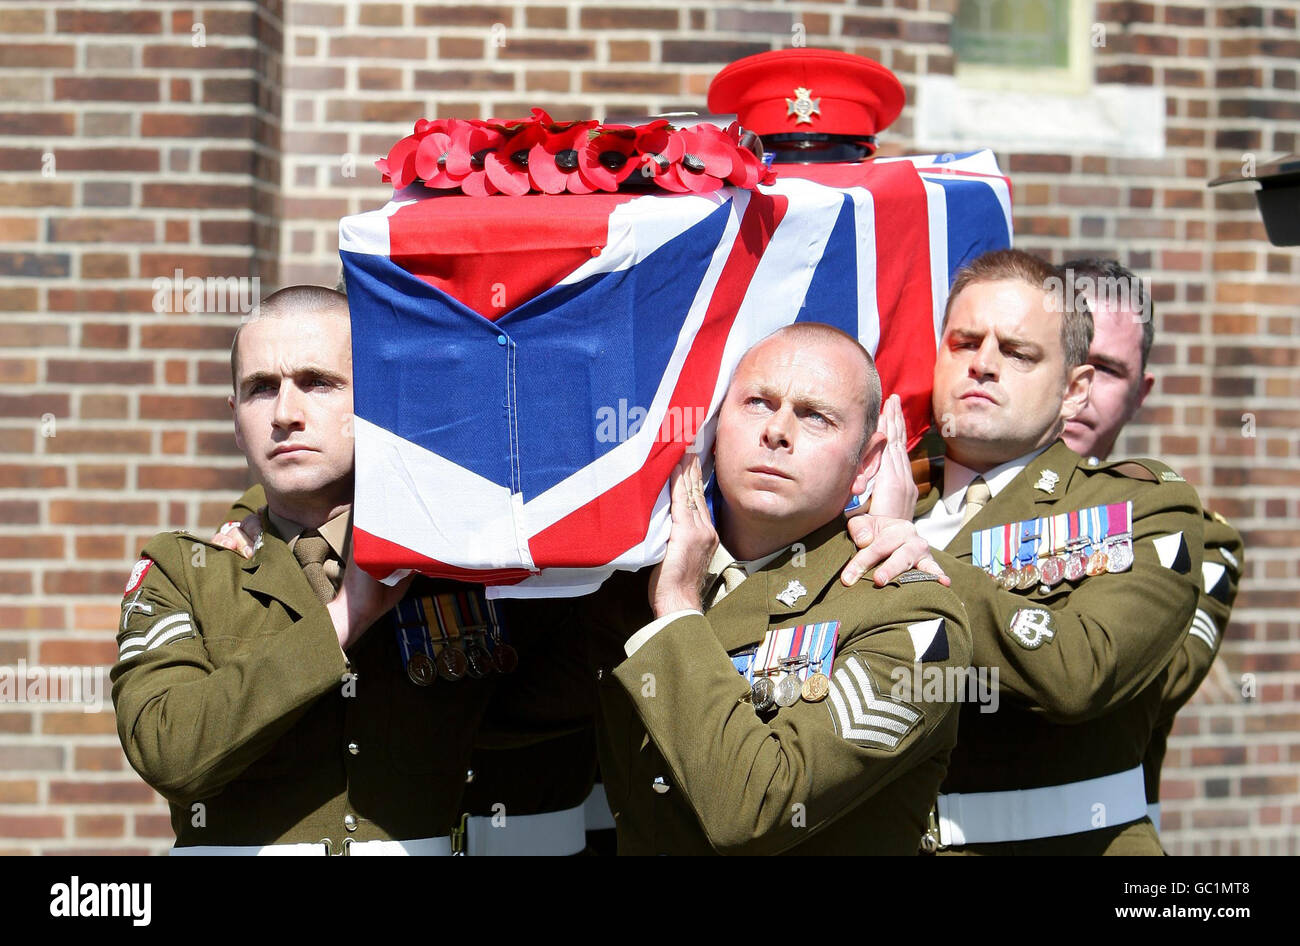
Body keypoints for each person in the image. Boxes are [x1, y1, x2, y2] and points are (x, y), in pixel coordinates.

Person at [112, 286, 509, 854]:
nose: (284, 415)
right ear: (235, 418)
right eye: (260, 389)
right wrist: (342, 619)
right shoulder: (184, 570)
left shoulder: (446, 559)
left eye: (317, 383)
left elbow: (561, 701)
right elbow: (168, 751)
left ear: (372, 401)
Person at [846, 249, 1207, 854]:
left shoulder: (1141, 508)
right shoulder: (860, 501)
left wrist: (909, 553)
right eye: (963, 343)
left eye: (1016, 352)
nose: (982, 365)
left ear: (1074, 390)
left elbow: (1080, 674)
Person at [585, 322, 972, 855]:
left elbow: (756, 806)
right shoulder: (628, 586)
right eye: (757, 403)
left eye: (815, 416)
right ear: (716, 429)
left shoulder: (912, 613)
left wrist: (677, 609)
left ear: (866, 462)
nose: (778, 431)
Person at [1060, 257, 1243, 832]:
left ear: (1142, 393)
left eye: (1108, 369)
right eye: (1068, 359)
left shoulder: (1196, 535)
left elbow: (1141, 683)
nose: (1081, 388)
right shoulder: (937, 500)